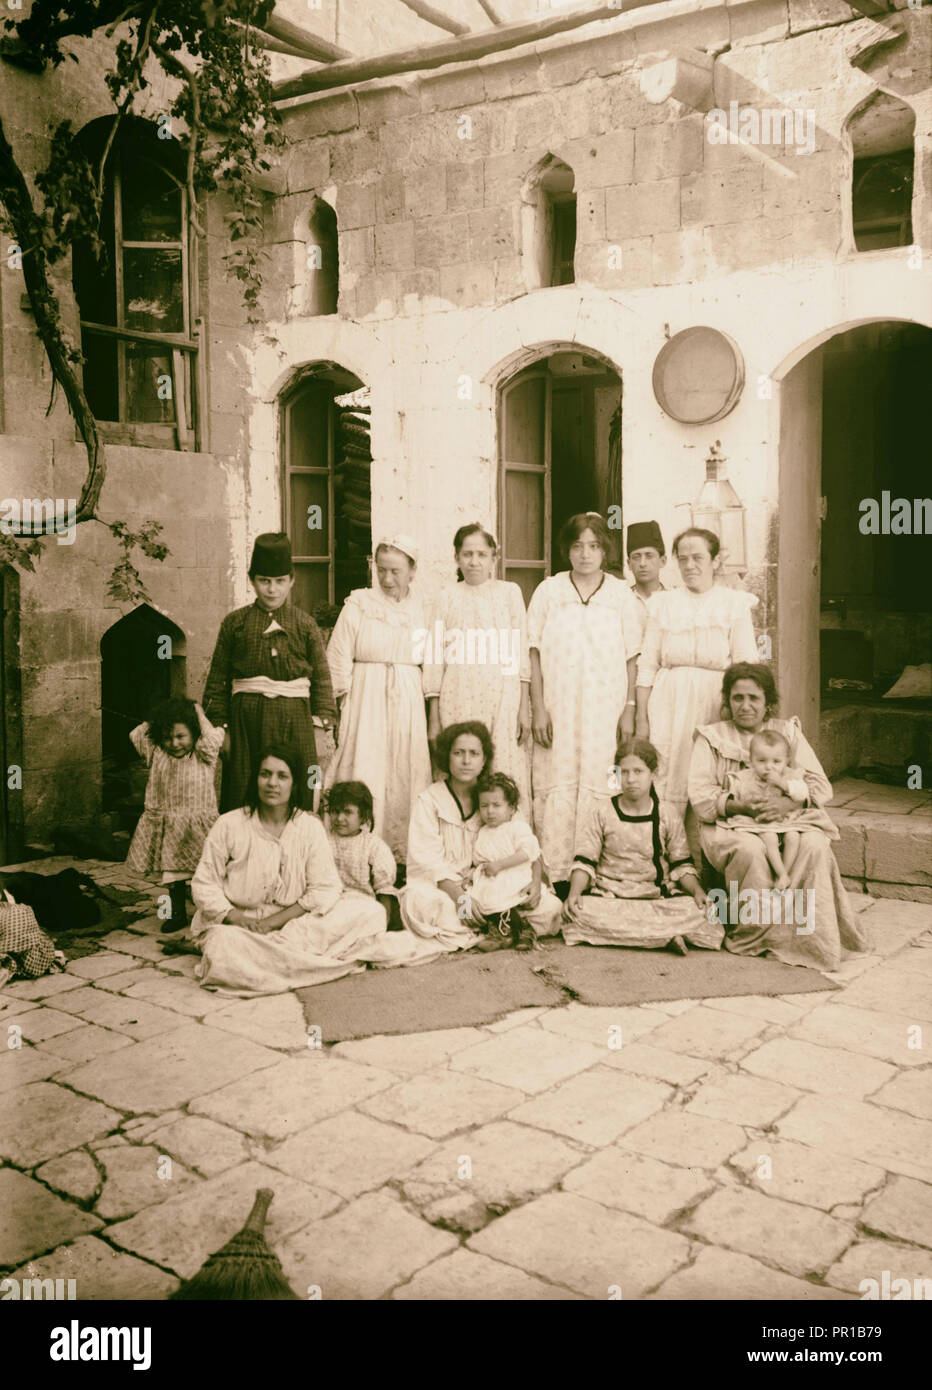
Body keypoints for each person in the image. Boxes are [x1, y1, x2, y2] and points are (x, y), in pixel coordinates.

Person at [191, 746, 423, 994]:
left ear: (295, 783)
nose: (272, 783)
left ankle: (267, 957)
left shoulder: (309, 827)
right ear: (255, 779)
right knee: (222, 944)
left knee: (371, 911)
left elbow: (325, 888)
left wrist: (273, 922)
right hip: (237, 922)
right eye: (265, 774)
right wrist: (237, 918)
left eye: (282, 776)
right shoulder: (229, 824)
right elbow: (204, 884)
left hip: (295, 921)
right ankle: (292, 959)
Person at [688, 662, 873, 971]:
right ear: (727, 700)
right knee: (751, 850)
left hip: (791, 819)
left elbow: (820, 787)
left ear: (767, 702)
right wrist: (745, 807)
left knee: (815, 844)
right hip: (733, 822)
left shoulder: (786, 732)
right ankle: (756, 934)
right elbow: (701, 798)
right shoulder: (711, 737)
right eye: (737, 698)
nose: (745, 706)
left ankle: (810, 936)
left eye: (754, 698)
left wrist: (787, 805)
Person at [528, 512, 642, 892]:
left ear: (606, 550)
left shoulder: (620, 594)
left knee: (601, 777)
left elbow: (632, 657)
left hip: (603, 708)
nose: (585, 554)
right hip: (558, 706)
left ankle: (598, 870)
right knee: (557, 778)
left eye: (594, 546)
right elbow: (532, 653)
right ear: (567, 550)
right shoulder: (549, 590)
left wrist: (629, 709)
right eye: (577, 546)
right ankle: (557, 874)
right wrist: (538, 707)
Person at [203, 533, 336, 814]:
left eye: (279, 582)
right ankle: (243, 853)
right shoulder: (234, 624)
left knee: (300, 785)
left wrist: (320, 729)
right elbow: (217, 680)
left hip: (295, 718)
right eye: (264, 581)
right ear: (252, 580)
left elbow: (322, 680)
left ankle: (296, 850)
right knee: (243, 787)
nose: (272, 590)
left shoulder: (305, 625)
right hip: (245, 721)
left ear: (291, 581)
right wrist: (221, 729)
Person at [635, 527, 758, 819]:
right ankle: (668, 853)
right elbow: (647, 663)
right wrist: (641, 717)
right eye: (683, 558)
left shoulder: (734, 603)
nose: (690, 565)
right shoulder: (663, 604)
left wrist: (733, 707)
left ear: (715, 561)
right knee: (665, 774)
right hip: (668, 701)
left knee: (708, 773)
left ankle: (706, 856)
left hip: (714, 703)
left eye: (698, 557)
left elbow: (745, 665)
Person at [325, 535, 431, 864]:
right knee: (365, 764)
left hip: (408, 697)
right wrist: (337, 708)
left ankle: (399, 857)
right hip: (365, 697)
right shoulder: (359, 604)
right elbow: (338, 656)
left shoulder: (424, 609)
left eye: (395, 571)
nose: (387, 579)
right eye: (381, 570)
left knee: (404, 771)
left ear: (412, 571)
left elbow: (435, 660)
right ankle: (354, 852)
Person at [562, 738, 722, 953]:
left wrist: (697, 891)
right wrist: (574, 893)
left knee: (703, 913)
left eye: (638, 771)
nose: (630, 779)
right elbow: (585, 861)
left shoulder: (666, 813)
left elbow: (681, 865)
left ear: (653, 774)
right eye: (624, 772)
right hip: (611, 898)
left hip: (656, 897)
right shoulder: (601, 811)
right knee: (580, 912)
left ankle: (645, 936)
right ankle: (665, 937)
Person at [423, 524, 531, 812]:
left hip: (502, 695)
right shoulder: (446, 597)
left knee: (501, 767)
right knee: (463, 764)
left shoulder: (509, 593)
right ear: (457, 558)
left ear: (493, 558)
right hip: (458, 694)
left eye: (481, 554)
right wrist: (434, 718)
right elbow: (434, 656)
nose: (474, 561)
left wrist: (523, 707)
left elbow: (519, 651)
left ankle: (507, 842)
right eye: (467, 554)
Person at [127, 698, 224, 932]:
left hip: (199, 824)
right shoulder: (157, 751)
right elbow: (137, 733)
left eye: (181, 736)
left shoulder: (203, 753)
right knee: (173, 875)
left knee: (205, 870)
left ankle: (208, 911)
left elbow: (212, 737)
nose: (175, 743)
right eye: (168, 737)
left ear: (194, 733)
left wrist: (197, 712)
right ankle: (177, 913)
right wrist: (162, 715)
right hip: (170, 823)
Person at [399, 721, 494, 952]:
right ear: (447, 757)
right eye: (458, 753)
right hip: (444, 890)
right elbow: (428, 862)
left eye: (474, 754)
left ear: (484, 760)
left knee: (548, 907)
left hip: (482, 884)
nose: (466, 761)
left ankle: (486, 925)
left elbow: (520, 839)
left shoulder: (493, 795)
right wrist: (461, 899)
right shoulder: (430, 800)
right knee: (425, 907)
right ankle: (493, 928)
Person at [718, 728, 838, 890]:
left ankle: (785, 875)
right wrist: (749, 804)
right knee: (769, 838)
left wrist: (782, 783)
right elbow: (737, 795)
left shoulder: (790, 775)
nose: (769, 767)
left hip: (787, 820)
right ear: (751, 760)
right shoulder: (745, 777)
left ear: (786, 761)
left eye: (776, 762)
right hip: (760, 822)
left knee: (793, 837)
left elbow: (802, 794)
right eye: (761, 761)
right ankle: (780, 872)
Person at [467, 771, 562, 952]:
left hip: (514, 878)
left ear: (511, 808)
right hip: (491, 882)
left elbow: (528, 852)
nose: (490, 811)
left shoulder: (517, 827)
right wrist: (473, 875)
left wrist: (500, 865)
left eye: (497, 805)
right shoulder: (482, 832)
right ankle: (510, 930)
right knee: (472, 906)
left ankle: (515, 929)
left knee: (552, 907)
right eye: (484, 805)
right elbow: (479, 861)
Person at [323, 780, 402, 931]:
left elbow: (384, 890)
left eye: (347, 812)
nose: (339, 818)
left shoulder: (373, 846)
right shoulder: (322, 840)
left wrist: (383, 923)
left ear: (363, 816)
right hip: (329, 904)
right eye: (335, 811)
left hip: (361, 907)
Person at [626, 519, 667, 620]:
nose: (642, 563)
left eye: (649, 556)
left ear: (662, 561)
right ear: (629, 564)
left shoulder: (673, 601)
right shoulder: (621, 601)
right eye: (636, 557)